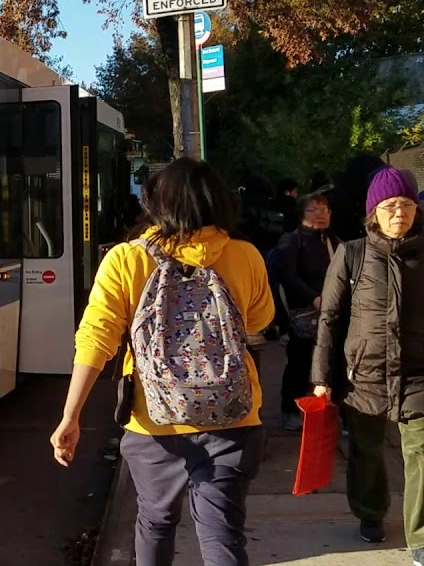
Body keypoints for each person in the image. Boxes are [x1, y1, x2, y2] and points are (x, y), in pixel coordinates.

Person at [50, 158, 274, 566]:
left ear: (154, 204)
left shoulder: (126, 259)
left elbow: (97, 337)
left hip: (153, 421)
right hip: (233, 420)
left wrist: (71, 415)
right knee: (222, 533)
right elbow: (259, 321)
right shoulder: (245, 256)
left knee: (154, 522)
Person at [312, 166, 424, 563]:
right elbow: (330, 318)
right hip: (364, 376)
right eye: (391, 206)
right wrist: (322, 377)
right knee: (367, 451)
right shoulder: (353, 253)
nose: (400, 213)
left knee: (421, 454)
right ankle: (371, 513)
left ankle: (421, 536)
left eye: (408, 205)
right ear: (373, 212)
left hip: (418, 376)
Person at [270, 192, 339, 431]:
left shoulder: (335, 241)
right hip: (303, 312)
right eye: (313, 210)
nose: (320, 215)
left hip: (332, 310)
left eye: (324, 209)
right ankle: (290, 410)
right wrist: (314, 297)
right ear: (301, 215)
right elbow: (287, 275)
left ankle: (331, 412)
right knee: (299, 362)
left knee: (332, 361)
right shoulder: (292, 241)